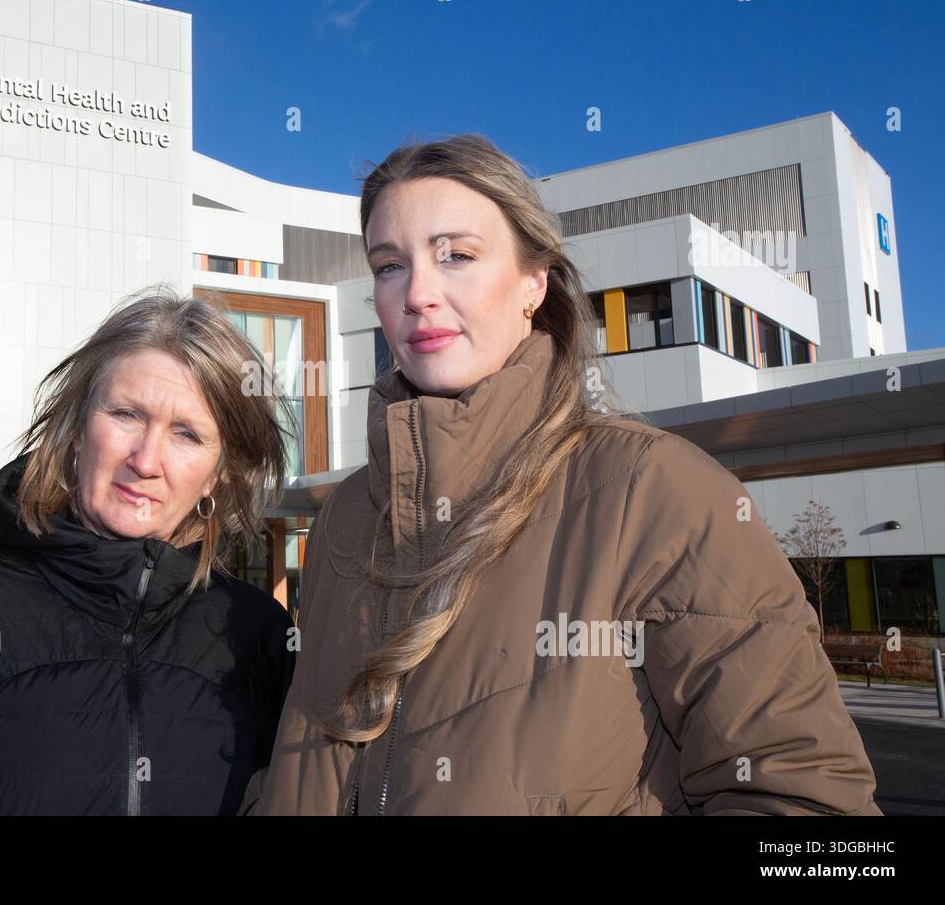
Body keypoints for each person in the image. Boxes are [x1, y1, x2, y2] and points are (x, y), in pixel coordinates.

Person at [247, 134, 881, 815]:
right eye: (389, 265)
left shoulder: (657, 490)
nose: (419, 293)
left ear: (533, 283)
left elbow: (808, 802)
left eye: (456, 255)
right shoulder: (347, 513)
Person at [0, 289, 296, 815]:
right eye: (127, 414)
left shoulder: (256, 638)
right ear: (76, 432)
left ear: (218, 475)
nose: (145, 459)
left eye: (186, 434)